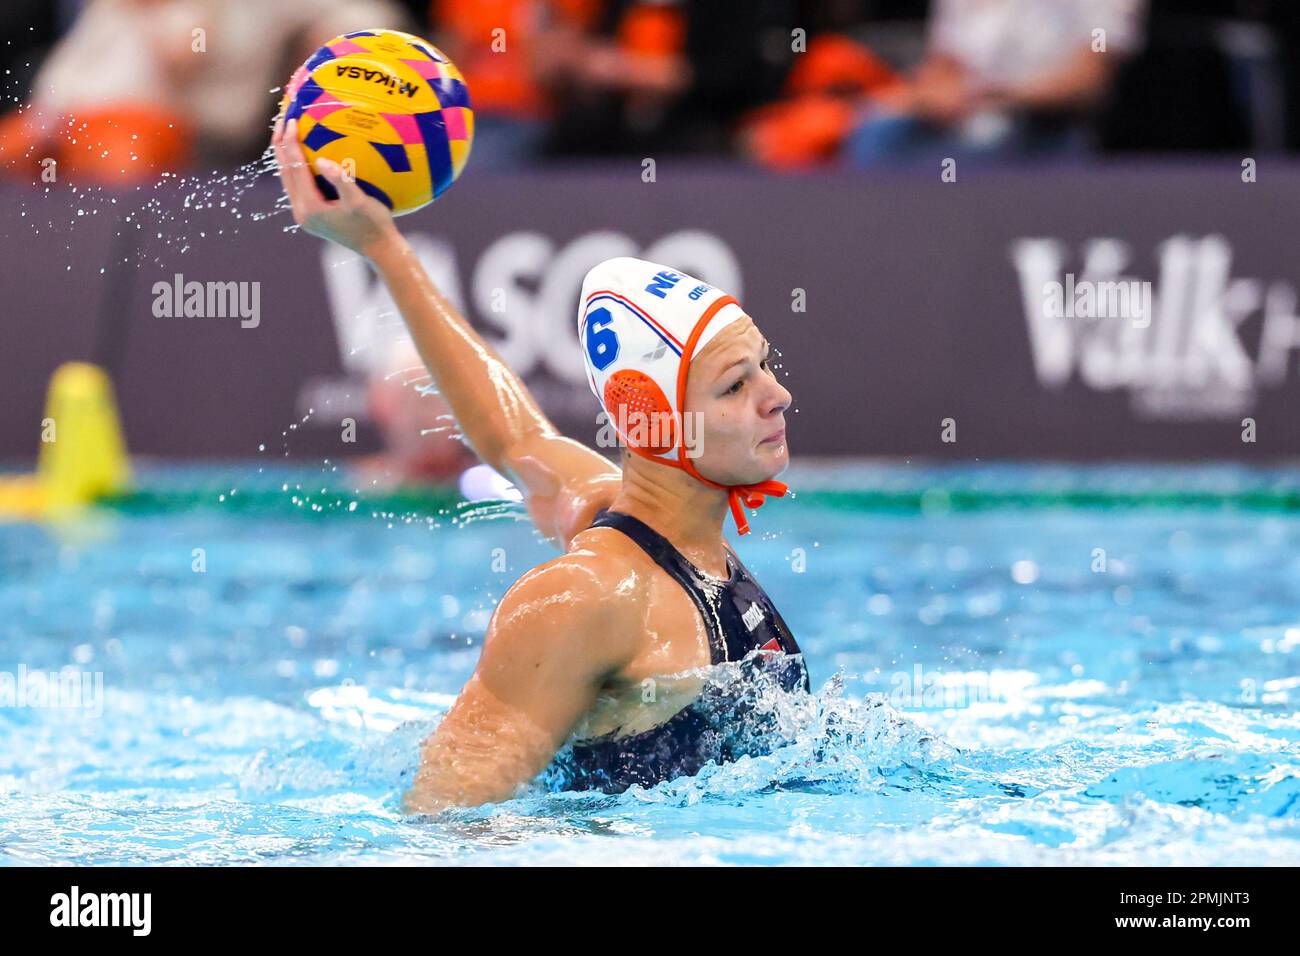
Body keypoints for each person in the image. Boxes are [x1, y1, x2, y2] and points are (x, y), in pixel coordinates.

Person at [272, 114, 811, 811]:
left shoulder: (641, 525)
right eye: (737, 384)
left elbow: (514, 437)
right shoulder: (583, 600)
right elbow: (442, 823)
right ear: (651, 420)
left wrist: (384, 247)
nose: (779, 395)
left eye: (765, 367)